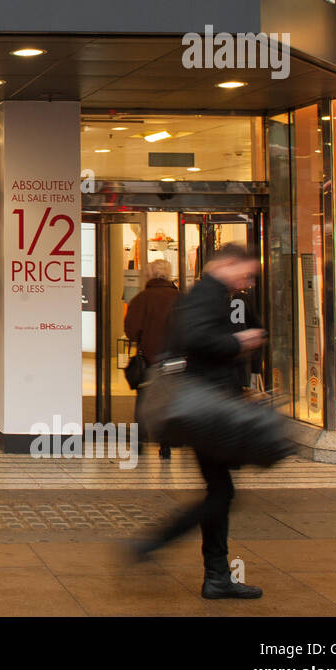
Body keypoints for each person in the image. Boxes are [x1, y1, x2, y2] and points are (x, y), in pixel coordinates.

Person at [132, 243, 267, 600]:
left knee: (220, 491)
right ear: (227, 263)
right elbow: (196, 339)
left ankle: (215, 574)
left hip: (207, 406)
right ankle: (161, 544)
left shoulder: (211, 293)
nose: (248, 281)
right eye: (246, 272)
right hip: (206, 408)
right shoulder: (206, 294)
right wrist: (238, 341)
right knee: (222, 492)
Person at [124, 259, 179, 459]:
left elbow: (131, 331)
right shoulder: (180, 298)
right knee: (169, 402)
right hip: (175, 361)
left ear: (148, 275)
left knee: (143, 402)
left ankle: (139, 442)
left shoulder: (141, 299)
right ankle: (165, 445)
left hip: (149, 359)